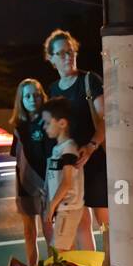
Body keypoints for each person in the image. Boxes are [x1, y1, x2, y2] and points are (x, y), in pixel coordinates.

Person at [44, 29, 106, 252]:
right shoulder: (52, 89)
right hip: (71, 167)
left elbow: (105, 119)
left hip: (95, 161)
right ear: (51, 59)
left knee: (106, 224)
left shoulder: (89, 80)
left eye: (70, 52)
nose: (68, 57)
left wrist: (90, 147)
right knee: (80, 223)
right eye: (61, 53)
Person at [10, 78, 55, 266]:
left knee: (49, 229)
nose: (32, 99)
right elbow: (17, 155)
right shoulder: (18, 126)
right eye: (27, 96)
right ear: (21, 99)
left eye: (36, 95)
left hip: (46, 184)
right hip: (24, 184)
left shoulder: (48, 123)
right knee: (29, 231)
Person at [39, 98, 86, 252]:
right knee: (66, 250)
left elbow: (67, 182)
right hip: (63, 207)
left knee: (59, 251)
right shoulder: (58, 148)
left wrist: (51, 206)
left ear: (62, 123)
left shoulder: (69, 149)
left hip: (68, 207)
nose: (44, 127)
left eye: (47, 122)